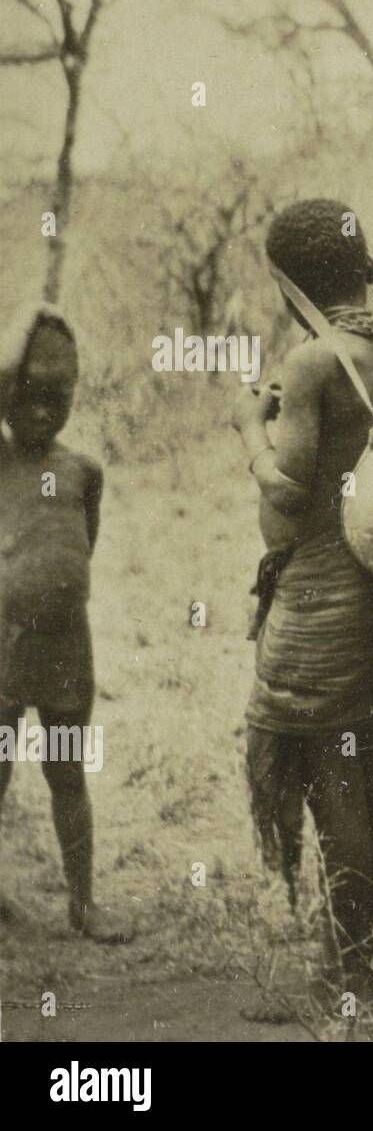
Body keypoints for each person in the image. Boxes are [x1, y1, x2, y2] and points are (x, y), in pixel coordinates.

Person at [232, 198, 373, 1002]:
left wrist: (250, 427)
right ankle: (363, 958)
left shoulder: (314, 362)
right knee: (369, 767)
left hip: (322, 599)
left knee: (330, 777)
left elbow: (287, 489)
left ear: (289, 283)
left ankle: (360, 978)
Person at [0, 304, 133, 943]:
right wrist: (35, 325)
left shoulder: (83, 471)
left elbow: (81, 550)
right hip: (1, 646)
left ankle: (82, 903)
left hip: (62, 649)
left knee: (67, 774)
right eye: (26, 396)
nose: (42, 411)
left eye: (58, 396)